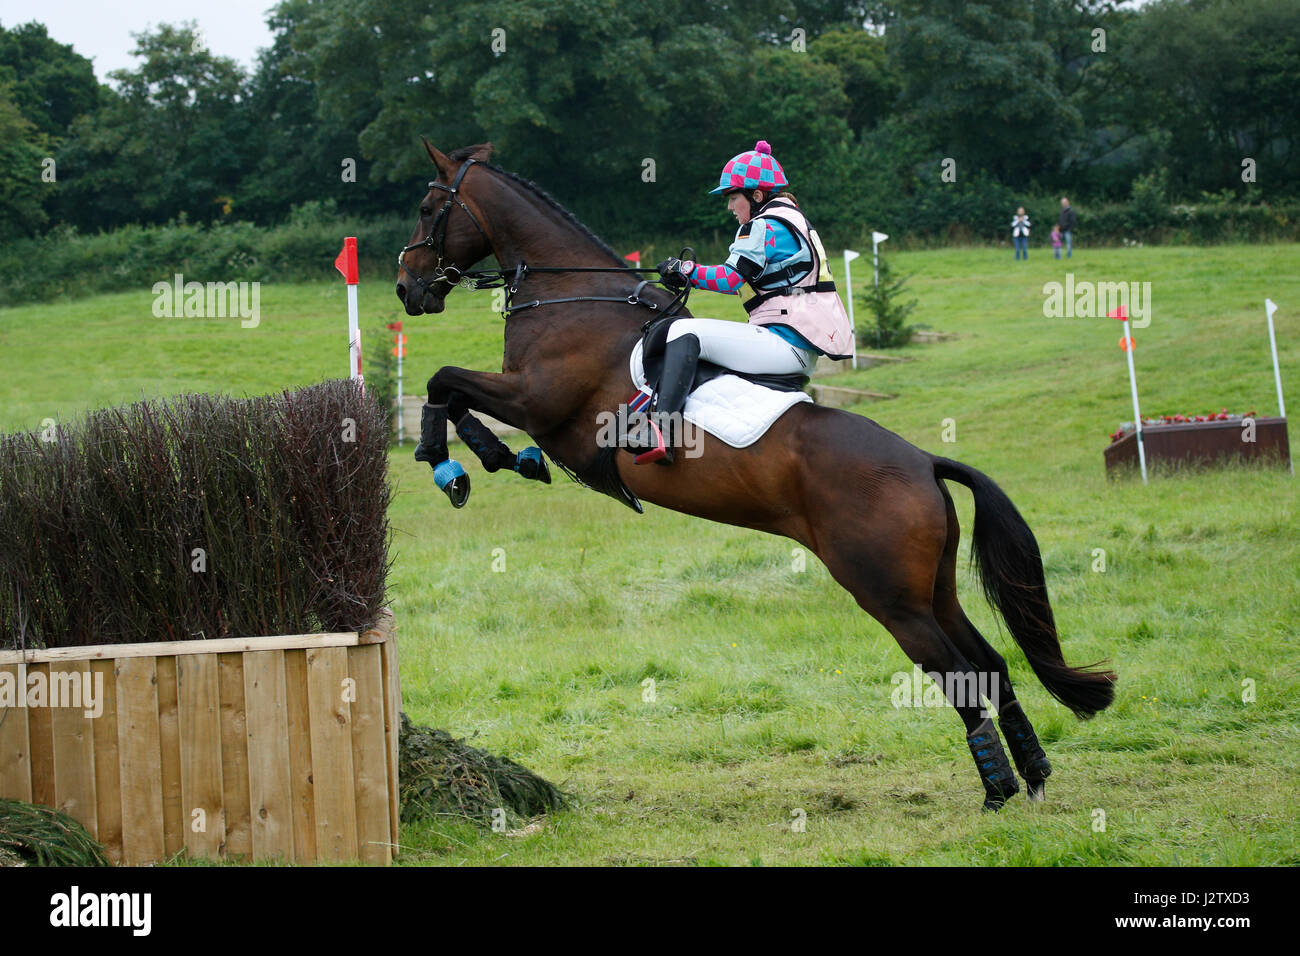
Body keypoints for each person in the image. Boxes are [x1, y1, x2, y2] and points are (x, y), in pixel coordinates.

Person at [641, 140, 853, 465]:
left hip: (784, 342)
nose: (730, 208)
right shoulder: (790, 218)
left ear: (756, 196)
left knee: (685, 333)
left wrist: (684, 270)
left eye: (733, 198)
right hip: (794, 345)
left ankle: (660, 432)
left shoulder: (765, 225)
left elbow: (729, 279)